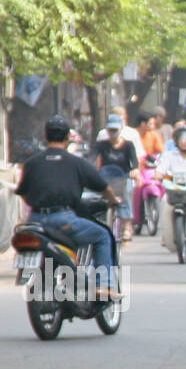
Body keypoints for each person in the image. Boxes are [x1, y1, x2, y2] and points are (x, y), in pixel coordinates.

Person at [17, 115, 122, 296]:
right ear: (67, 138)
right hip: (63, 221)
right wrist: (114, 200)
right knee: (103, 235)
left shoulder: (31, 163)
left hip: (35, 222)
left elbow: (24, 194)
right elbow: (104, 188)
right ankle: (102, 285)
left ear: (46, 135)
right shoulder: (77, 163)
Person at [156, 126, 186, 253]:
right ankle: (167, 236)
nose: (184, 142)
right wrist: (159, 175)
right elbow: (160, 170)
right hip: (174, 189)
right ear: (176, 141)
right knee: (164, 202)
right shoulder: (169, 155)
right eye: (181, 139)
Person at [95, 114, 139, 243]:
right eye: (110, 130)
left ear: (120, 129)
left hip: (123, 177)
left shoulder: (128, 145)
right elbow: (92, 157)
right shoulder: (101, 145)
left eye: (115, 130)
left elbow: (134, 162)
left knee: (126, 194)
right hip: (106, 177)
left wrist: (135, 170)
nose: (113, 133)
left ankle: (127, 226)